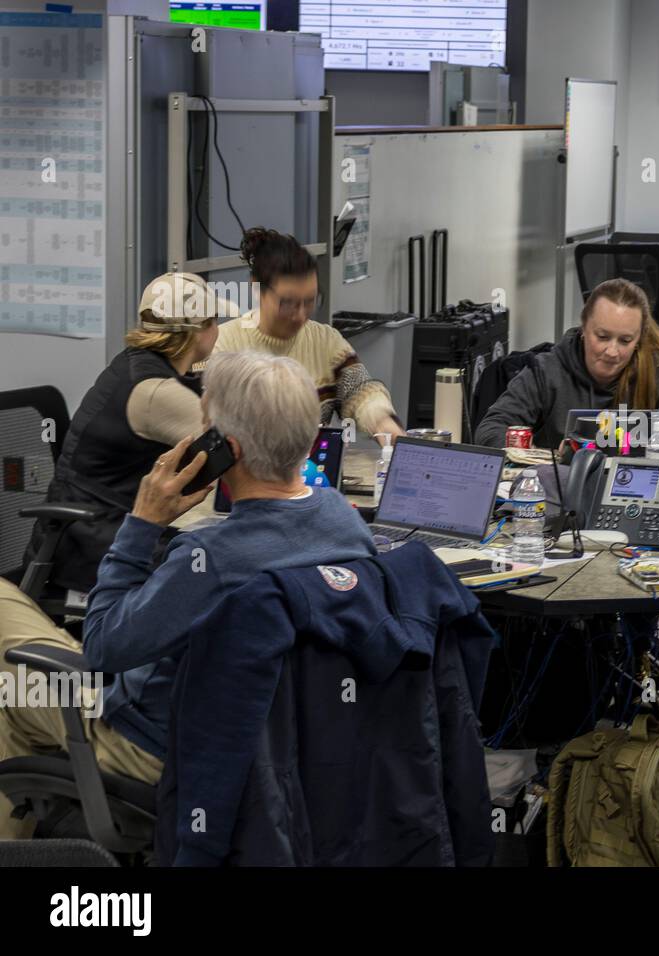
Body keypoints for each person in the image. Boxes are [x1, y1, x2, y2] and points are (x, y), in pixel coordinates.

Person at [0, 351, 378, 839]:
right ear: (308, 437)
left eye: (205, 427)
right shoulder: (345, 521)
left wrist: (142, 521)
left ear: (226, 448)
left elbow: (101, 650)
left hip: (156, 743)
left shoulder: (210, 558)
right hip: (287, 744)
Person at [24, 273, 233, 596]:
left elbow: (200, 388)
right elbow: (238, 452)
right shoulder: (155, 391)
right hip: (96, 545)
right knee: (228, 569)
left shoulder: (138, 365)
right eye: (215, 321)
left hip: (96, 530)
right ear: (199, 332)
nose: (218, 330)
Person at [210, 227, 404, 444]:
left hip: (313, 472)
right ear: (257, 289)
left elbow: (360, 393)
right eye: (288, 303)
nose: (300, 315)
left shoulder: (326, 342)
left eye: (310, 302)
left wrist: (386, 426)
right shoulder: (223, 346)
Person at [474, 278, 659, 449]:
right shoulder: (547, 370)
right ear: (583, 329)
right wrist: (534, 454)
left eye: (625, 341)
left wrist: (611, 444)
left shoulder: (657, 371)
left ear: (638, 340)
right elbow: (490, 430)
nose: (612, 351)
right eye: (602, 337)